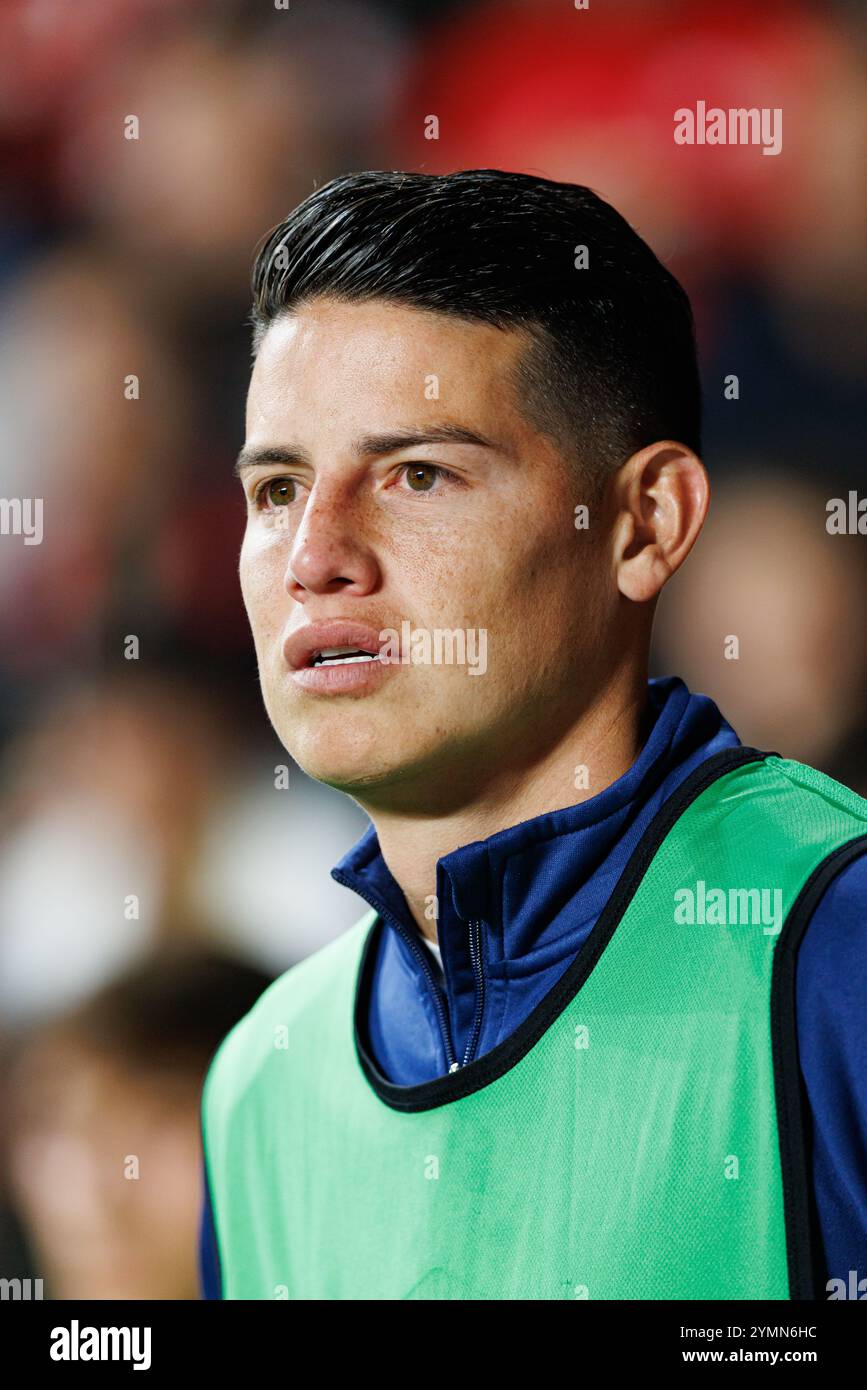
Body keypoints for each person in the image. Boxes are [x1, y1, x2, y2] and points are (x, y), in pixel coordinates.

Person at [198, 169, 867, 1300]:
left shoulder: (837, 950)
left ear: (645, 523)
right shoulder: (260, 1081)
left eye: (417, 474)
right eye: (277, 490)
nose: (316, 555)